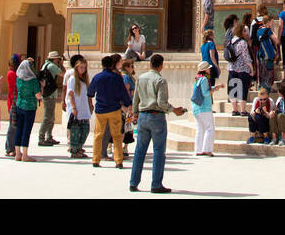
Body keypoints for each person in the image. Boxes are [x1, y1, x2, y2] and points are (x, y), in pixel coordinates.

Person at [129, 53, 188, 193]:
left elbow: (135, 99)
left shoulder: (141, 78)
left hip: (143, 116)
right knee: (158, 151)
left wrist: (135, 114)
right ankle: (156, 184)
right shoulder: (160, 80)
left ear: (150, 64)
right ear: (161, 66)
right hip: (156, 117)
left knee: (139, 151)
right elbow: (161, 103)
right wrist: (174, 110)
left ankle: (133, 182)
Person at [89, 54, 132, 168]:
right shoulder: (117, 77)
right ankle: (118, 161)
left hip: (101, 110)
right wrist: (128, 104)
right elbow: (124, 93)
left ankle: (96, 159)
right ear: (112, 65)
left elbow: (90, 93)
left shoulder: (97, 77)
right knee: (117, 135)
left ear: (102, 65)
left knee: (98, 135)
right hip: (114, 109)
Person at [10, 58, 40, 161]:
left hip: (19, 105)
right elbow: (38, 96)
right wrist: (42, 86)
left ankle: (18, 153)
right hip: (30, 107)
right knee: (26, 130)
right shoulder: (33, 80)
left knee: (19, 129)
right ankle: (25, 155)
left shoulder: (19, 78)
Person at [64, 54, 92, 158]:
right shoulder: (72, 79)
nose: (82, 69)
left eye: (84, 67)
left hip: (84, 108)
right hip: (76, 108)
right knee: (75, 130)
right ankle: (74, 150)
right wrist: (73, 108)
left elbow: (88, 94)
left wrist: (90, 105)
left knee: (85, 129)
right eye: (81, 67)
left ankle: (79, 148)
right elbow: (70, 94)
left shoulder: (84, 80)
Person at [226, 23, 254, 115]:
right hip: (243, 69)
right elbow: (246, 57)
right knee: (243, 89)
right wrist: (251, 68)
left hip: (231, 68)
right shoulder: (242, 43)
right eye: (244, 31)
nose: (245, 32)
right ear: (241, 32)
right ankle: (243, 110)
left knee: (233, 89)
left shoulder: (230, 41)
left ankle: (234, 109)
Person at [37, 51, 64, 146]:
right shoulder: (52, 66)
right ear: (55, 59)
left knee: (51, 117)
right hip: (50, 94)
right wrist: (62, 64)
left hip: (47, 93)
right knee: (48, 117)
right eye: (58, 59)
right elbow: (63, 74)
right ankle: (41, 137)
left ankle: (49, 136)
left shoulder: (45, 65)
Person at [191, 62, 215, 156]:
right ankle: (207, 149)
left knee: (200, 129)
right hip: (204, 107)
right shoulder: (204, 79)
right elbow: (205, 93)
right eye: (208, 68)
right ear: (205, 70)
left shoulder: (198, 78)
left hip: (196, 108)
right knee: (210, 128)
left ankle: (198, 150)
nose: (209, 70)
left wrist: (214, 88)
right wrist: (214, 90)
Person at [253, 14, 277, 91]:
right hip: (268, 54)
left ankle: (261, 88)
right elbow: (276, 40)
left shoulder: (258, 30)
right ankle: (267, 89)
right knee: (269, 72)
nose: (272, 24)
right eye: (272, 22)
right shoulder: (268, 30)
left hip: (261, 54)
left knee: (262, 71)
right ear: (268, 22)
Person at [3, 55, 20, 156]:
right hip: (13, 102)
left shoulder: (14, 73)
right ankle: (9, 148)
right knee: (12, 126)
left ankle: (12, 147)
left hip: (15, 102)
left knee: (15, 126)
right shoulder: (12, 74)